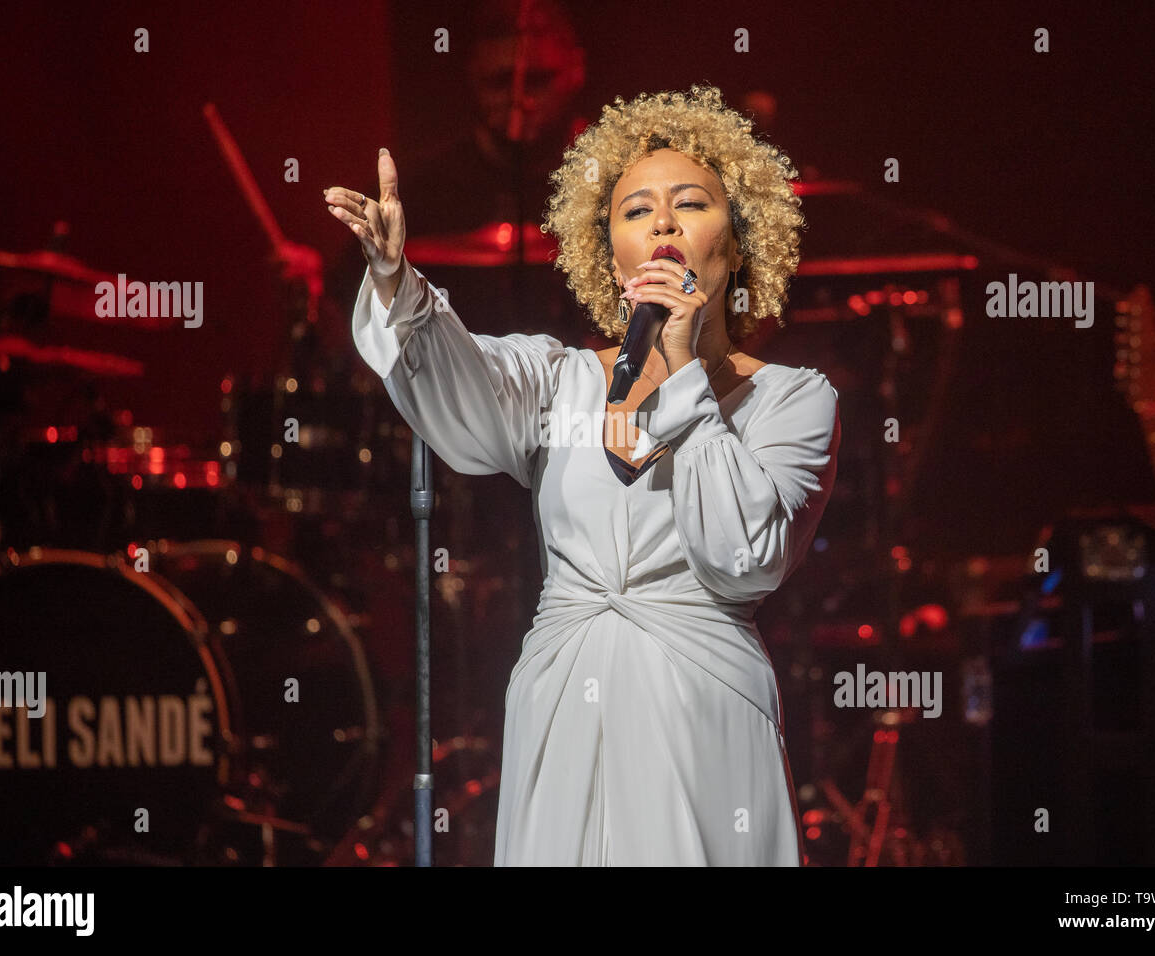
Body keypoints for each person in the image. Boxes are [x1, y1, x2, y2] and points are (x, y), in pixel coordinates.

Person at [325, 85, 840, 866]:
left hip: (702, 715)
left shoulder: (792, 399)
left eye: (690, 204)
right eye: (635, 212)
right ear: (612, 257)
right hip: (565, 706)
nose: (662, 223)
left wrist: (681, 372)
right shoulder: (557, 382)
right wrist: (400, 285)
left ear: (738, 243)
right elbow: (460, 388)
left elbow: (743, 559)